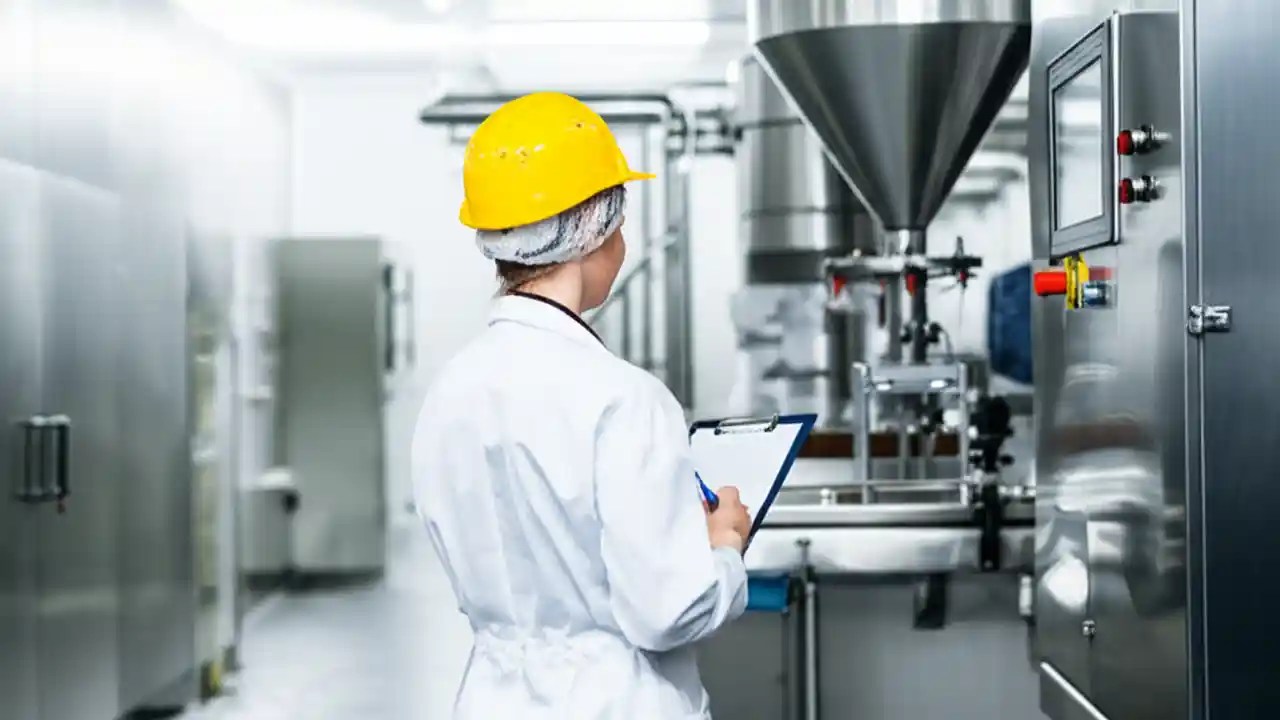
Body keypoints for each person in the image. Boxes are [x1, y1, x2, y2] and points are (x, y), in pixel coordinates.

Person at [411, 92, 752, 719]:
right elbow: (670, 612)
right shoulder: (624, 398)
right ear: (597, 231)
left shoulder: (449, 392)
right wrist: (724, 545)